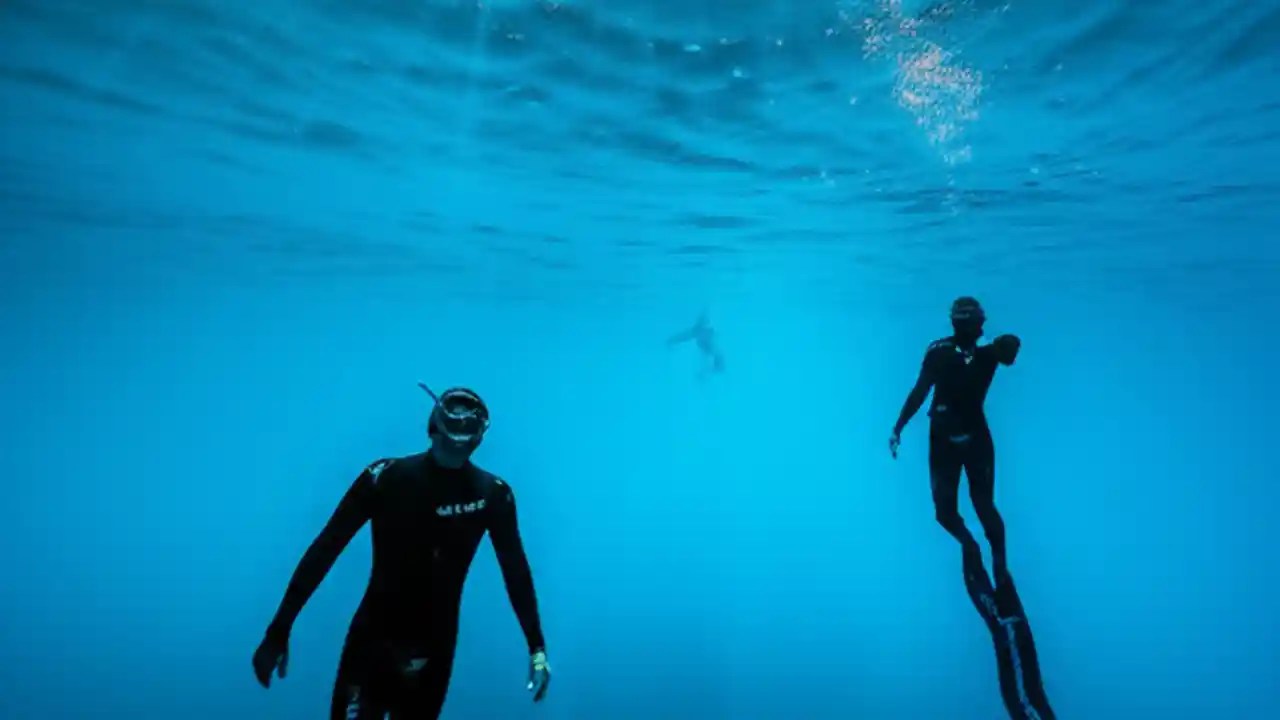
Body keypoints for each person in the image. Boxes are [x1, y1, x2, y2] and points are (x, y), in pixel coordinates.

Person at [251, 385, 551, 719]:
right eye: (455, 417)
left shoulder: (493, 495)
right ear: (434, 425)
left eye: (470, 421)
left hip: (433, 651)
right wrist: (278, 629)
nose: (461, 428)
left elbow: (516, 572)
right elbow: (325, 549)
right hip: (374, 643)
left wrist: (537, 648)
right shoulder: (385, 479)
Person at [888, 297, 1021, 585]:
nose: (980, 324)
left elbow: (920, 392)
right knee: (968, 507)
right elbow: (920, 391)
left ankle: (991, 561)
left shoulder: (975, 351)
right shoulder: (966, 351)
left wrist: (898, 427)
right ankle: (987, 559)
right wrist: (898, 426)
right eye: (977, 320)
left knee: (961, 509)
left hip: (954, 438)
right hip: (963, 438)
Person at [667, 311, 725, 377]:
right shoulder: (697, 331)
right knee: (708, 357)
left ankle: (709, 371)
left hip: (707, 347)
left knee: (713, 356)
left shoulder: (709, 332)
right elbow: (683, 336)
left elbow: (683, 336)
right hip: (705, 347)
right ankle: (706, 373)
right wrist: (672, 340)